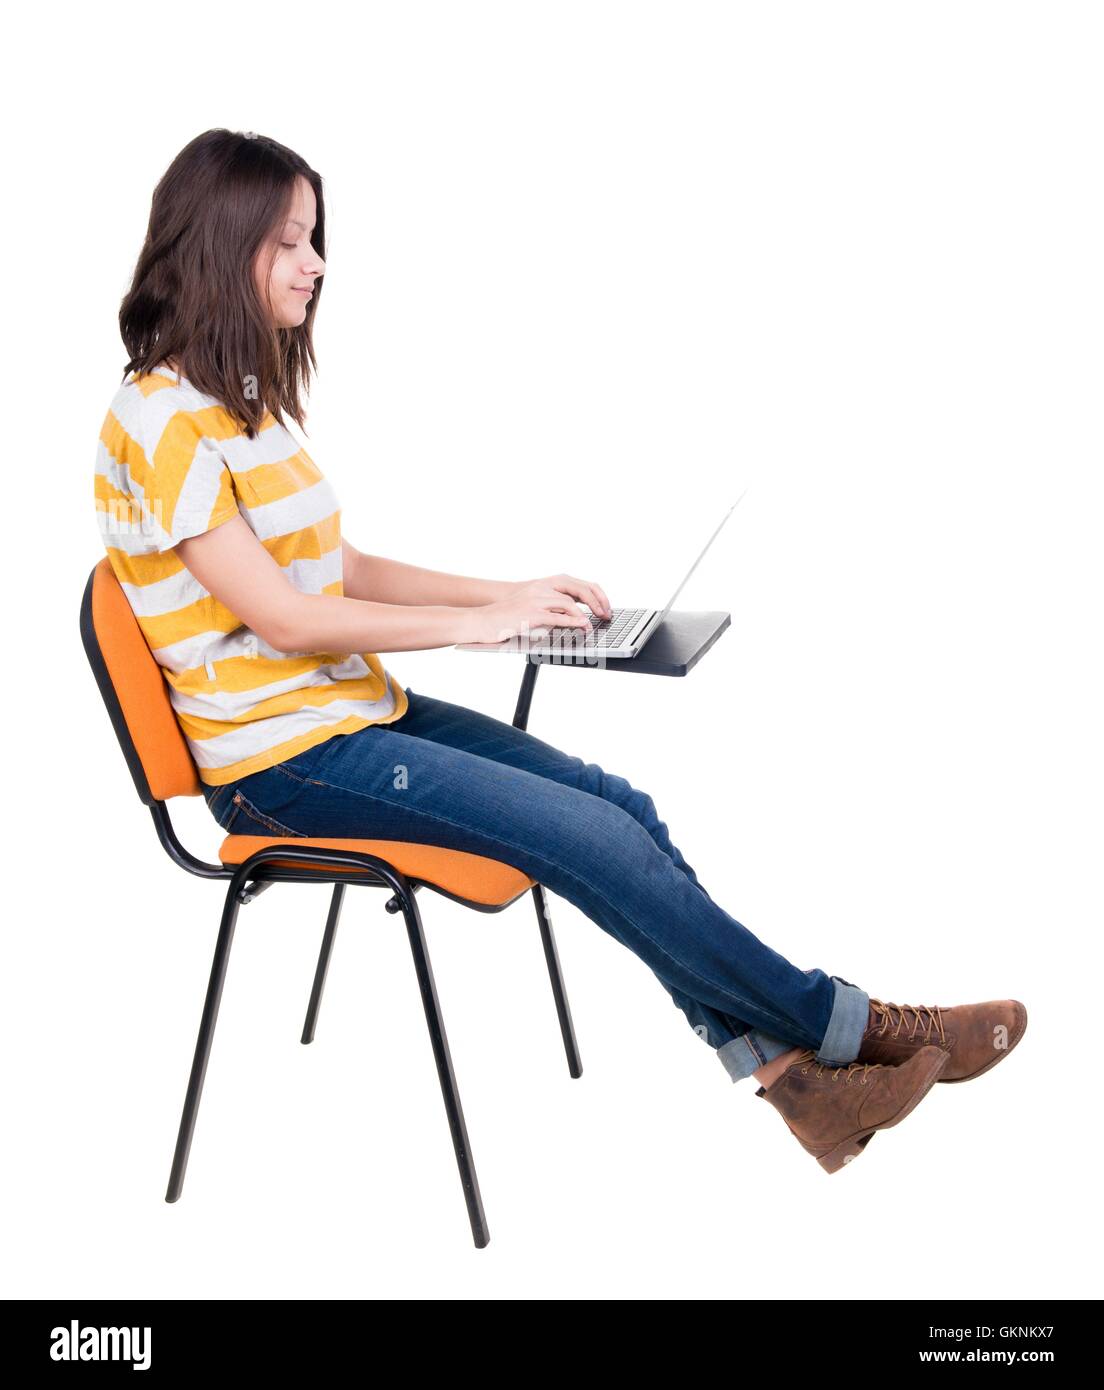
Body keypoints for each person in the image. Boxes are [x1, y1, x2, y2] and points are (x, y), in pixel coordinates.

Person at [93, 129, 1027, 1174]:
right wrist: (471, 628)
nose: (318, 264)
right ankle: (857, 1026)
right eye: (290, 242)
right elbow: (290, 620)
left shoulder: (243, 406)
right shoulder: (160, 418)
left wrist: (511, 595)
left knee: (621, 805)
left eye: (316, 238)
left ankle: (792, 1081)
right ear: (220, 246)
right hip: (279, 768)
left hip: (347, 720)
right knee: (599, 843)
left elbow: (336, 567)